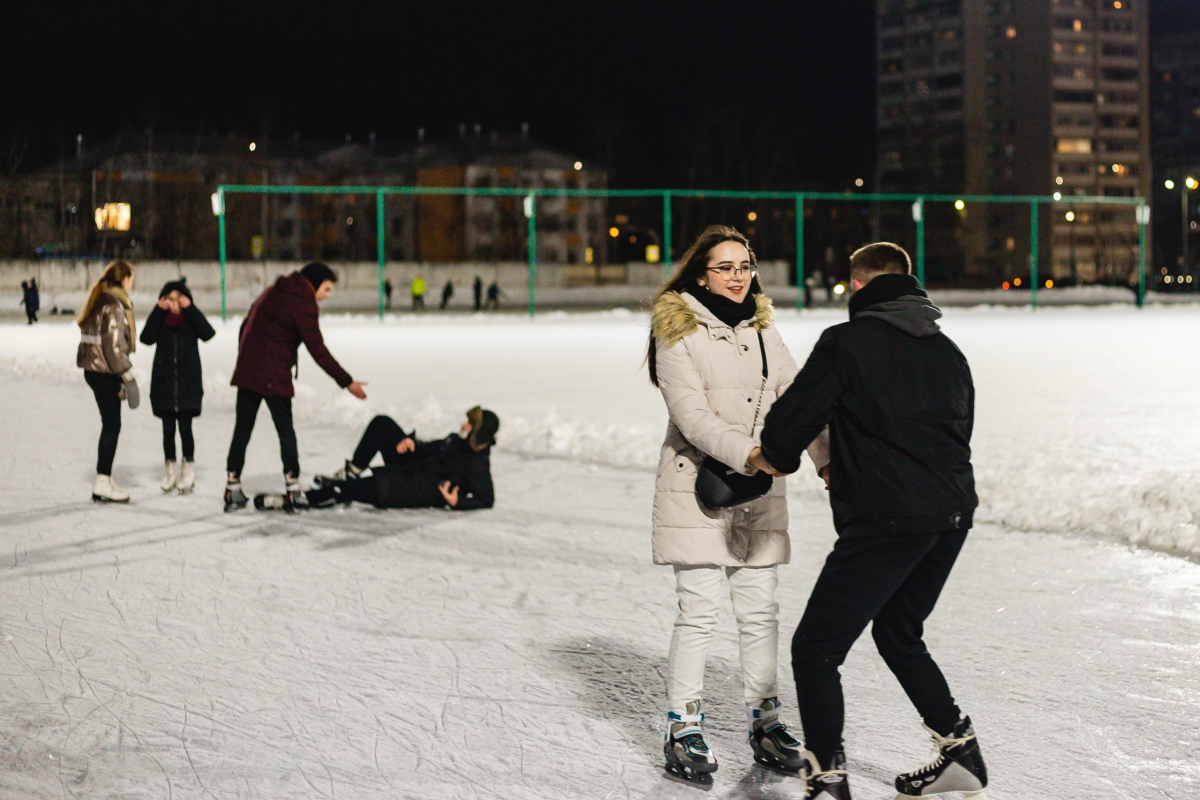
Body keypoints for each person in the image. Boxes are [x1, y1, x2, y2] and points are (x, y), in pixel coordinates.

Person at [754, 243, 985, 799]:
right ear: (909, 283)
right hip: (951, 513)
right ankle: (961, 753)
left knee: (816, 649)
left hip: (888, 518)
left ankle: (826, 778)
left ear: (856, 287)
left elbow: (791, 424)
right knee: (898, 632)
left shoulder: (846, 343)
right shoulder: (948, 350)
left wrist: (771, 458)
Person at [647, 225, 829, 785]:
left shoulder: (762, 327)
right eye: (724, 267)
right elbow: (691, 415)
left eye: (744, 265)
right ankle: (684, 727)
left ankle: (766, 724)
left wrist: (828, 460)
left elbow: (800, 397)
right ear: (701, 273)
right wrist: (752, 453)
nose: (736, 276)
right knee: (698, 613)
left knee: (759, 613)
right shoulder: (676, 330)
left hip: (759, 489)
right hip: (698, 487)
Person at [224, 262, 367, 511]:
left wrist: (246, 357)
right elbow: (318, 349)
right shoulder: (302, 302)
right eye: (326, 288)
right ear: (314, 283)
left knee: (243, 428)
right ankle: (292, 488)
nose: (327, 295)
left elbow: (246, 324)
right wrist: (347, 382)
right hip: (272, 372)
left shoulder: (273, 290)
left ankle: (232, 486)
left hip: (249, 368)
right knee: (285, 430)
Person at [276, 407, 498, 512]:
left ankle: (301, 499)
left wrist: (457, 502)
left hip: (405, 489)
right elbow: (430, 448)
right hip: (409, 468)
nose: (463, 425)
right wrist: (413, 443)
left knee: (346, 491)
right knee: (382, 424)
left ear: (479, 433)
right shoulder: (455, 441)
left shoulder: (476, 465)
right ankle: (352, 471)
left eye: (469, 424)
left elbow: (487, 498)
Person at [139, 278, 215, 494]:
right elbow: (146, 338)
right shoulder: (160, 321)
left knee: (185, 429)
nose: (173, 304)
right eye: (169, 299)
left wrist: (191, 309)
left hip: (187, 386)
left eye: (177, 299)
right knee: (167, 431)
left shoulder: (190, 321)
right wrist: (157, 311)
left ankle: (188, 471)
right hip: (164, 386)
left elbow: (208, 333)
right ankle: (170, 472)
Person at [76, 261, 139, 503]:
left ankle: (105, 477)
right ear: (123, 278)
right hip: (104, 371)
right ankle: (102, 480)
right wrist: (127, 376)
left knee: (110, 423)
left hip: (96, 370)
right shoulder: (113, 304)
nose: (132, 284)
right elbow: (113, 349)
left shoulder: (101, 298)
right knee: (112, 425)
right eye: (131, 278)